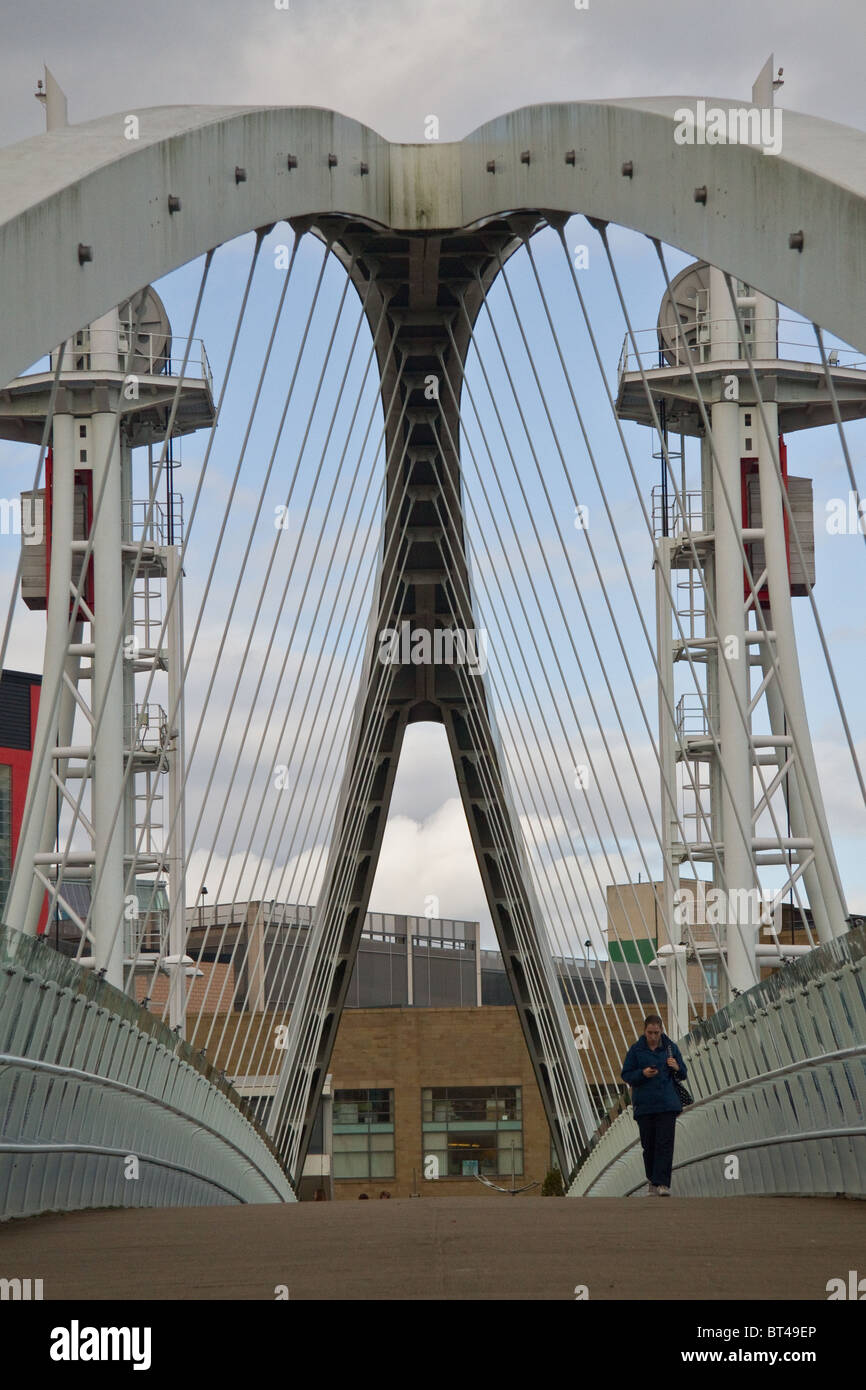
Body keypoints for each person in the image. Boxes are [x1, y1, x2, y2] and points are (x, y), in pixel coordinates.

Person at [621, 1014, 688, 1196]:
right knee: (648, 1145)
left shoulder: (670, 1048)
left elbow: (683, 1073)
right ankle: (652, 1179)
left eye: (656, 1033)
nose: (653, 1036)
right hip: (645, 1106)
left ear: (661, 1031)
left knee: (665, 1144)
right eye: (650, 1033)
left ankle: (663, 1184)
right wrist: (643, 1073)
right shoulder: (636, 1050)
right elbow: (626, 1074)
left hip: (667, 1104)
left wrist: (676, 1066)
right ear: (644, 1031)